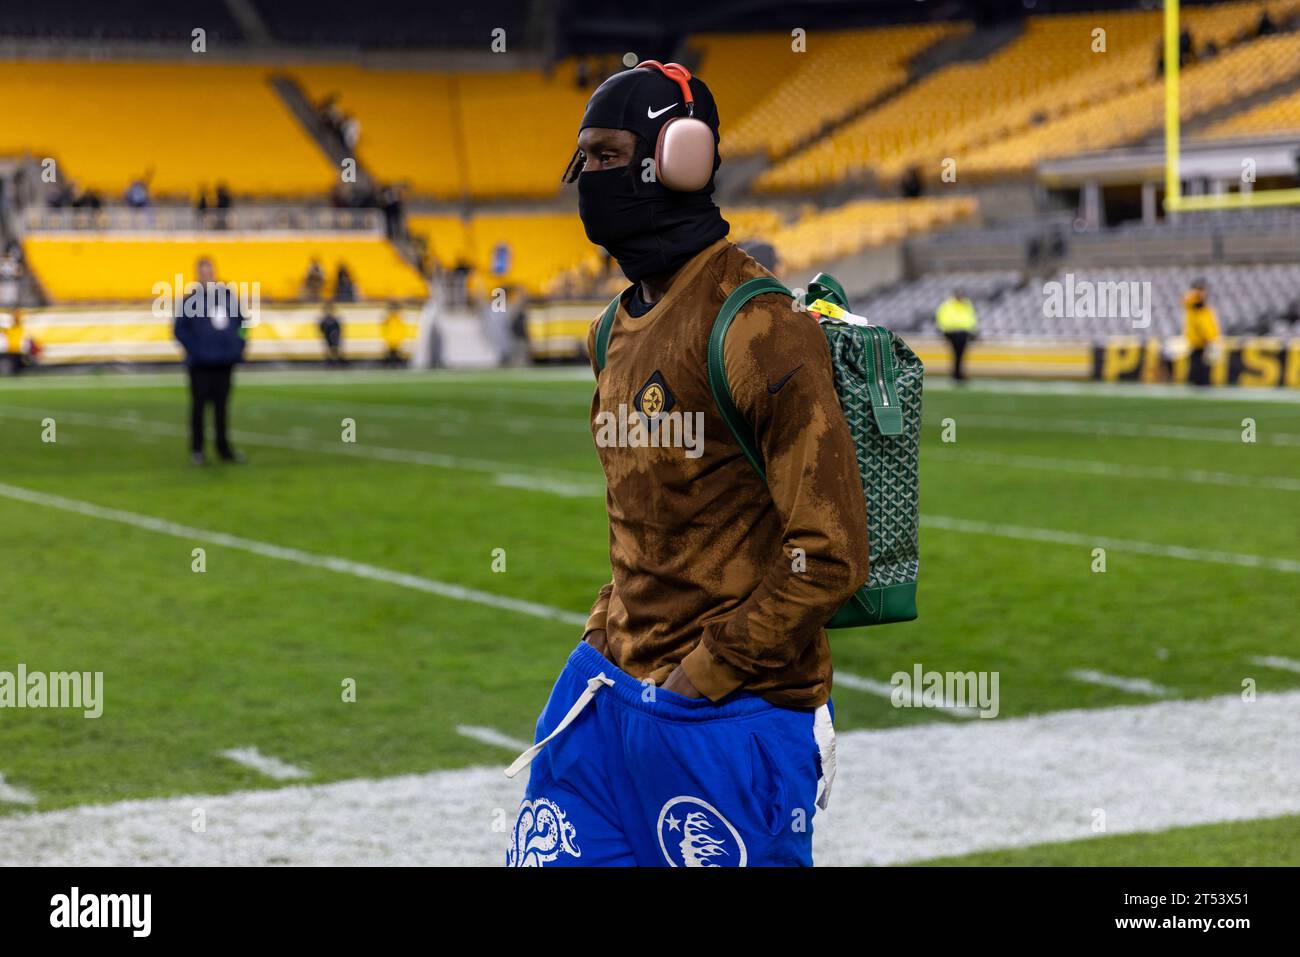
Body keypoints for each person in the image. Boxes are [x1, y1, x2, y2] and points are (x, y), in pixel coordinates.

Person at [505, 63, 868, 868]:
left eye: (603, 156)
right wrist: (607, 631)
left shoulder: (760, 326)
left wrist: (704, 673)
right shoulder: (611, 330)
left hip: (730, 711)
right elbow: (641, 522)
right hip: (609, 690)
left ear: (679, 157)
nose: (584, 181)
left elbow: (831, 551)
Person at [173, 258, 246, 465]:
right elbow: (179, 330)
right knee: (198, 408)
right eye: (203, 274)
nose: (207, 277)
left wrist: (239, 345)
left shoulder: (229, 297)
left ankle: (224, 449)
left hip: (224, 363)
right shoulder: (189, 300)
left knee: (222, 408)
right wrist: (196, 350)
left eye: (210, 273)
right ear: (198, 275)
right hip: (200, 365)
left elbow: (244, 324)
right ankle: (197, 450)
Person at [1183, 278, 1220, 387]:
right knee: (1197, 364)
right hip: (1199, 341)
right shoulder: (1194, 304)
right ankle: (1196, 382)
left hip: (1206, 340)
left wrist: (1212, 338)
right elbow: (1189, 300)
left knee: (1206, 365)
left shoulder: (1205, 308)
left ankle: (1203, 382)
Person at [935, 290, 978, 381]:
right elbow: (941, 317)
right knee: (956, 353)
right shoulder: (947, 304)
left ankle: (957, 373)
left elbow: (971, 318)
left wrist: (972, 330)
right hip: (952, 332)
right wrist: (943, 329)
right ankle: (956, 373)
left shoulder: (966, 304)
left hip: (963, 332)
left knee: (960, 354)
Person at [380, 301, 405, 366]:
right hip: (390, 340)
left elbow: (401, 329)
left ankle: (396, 365)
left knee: (396, 355)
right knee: (389, 355)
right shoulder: (388, 319)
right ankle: (388, 365)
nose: (393, 310)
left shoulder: (398, 318)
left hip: (396, 340)